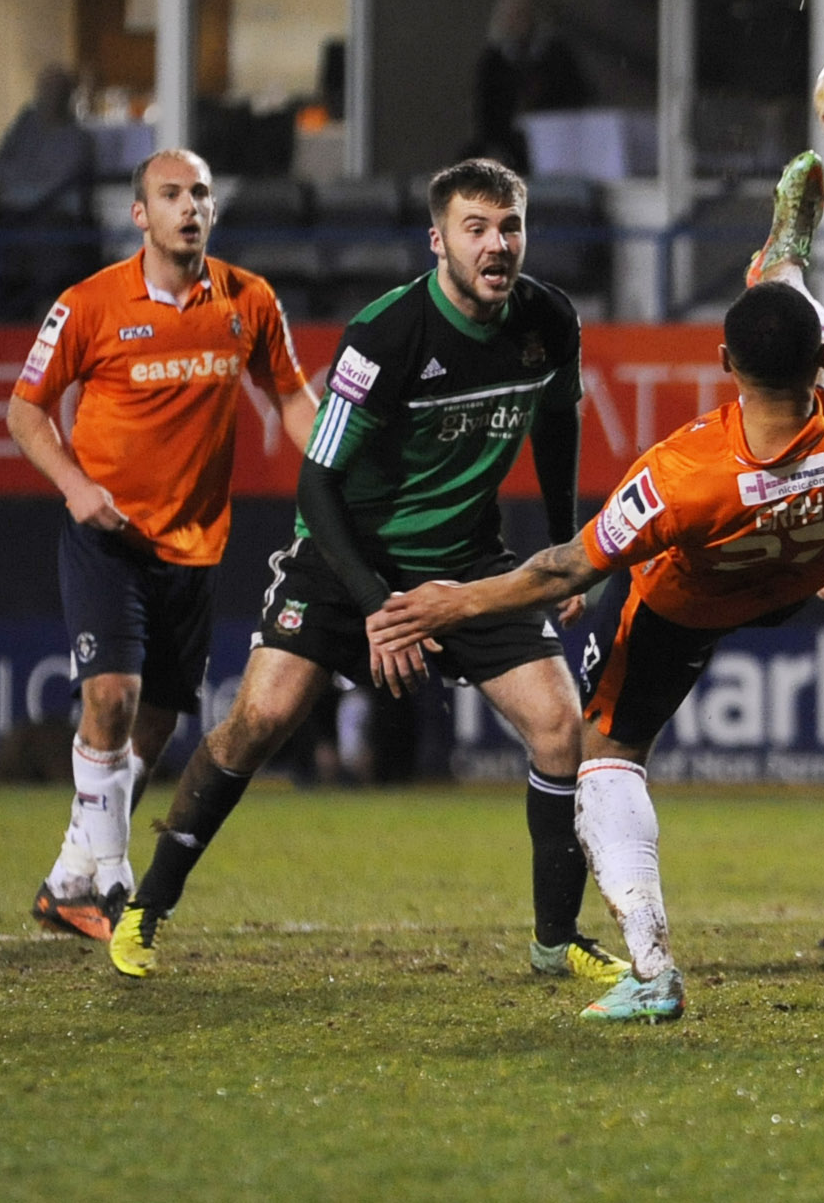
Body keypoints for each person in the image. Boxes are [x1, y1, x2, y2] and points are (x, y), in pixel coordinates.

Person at [365, 152, 824, 1022]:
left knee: (605, 755)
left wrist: (453, 600)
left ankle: (651, 967)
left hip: (683, 606)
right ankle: (786, 261)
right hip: (790, 585)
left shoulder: (681, 473)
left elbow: (568, 568)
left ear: (723, 361)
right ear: (823, 357)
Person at [108, 158, 625, 991]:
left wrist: (563, 554)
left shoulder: (549, 319)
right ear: (438, 241)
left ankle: (555, 940)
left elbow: (557, 422)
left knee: (563, 730)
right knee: (259, 720)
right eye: (476, 229)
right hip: (346, 556)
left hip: (465, 563)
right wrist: (377, 604)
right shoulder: (386, 336)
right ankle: (147, 906)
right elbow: (316, 482)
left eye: (510, 227)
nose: (497, 245)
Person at [10, 148, 316, 942]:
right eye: (171, 194)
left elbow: (290, 396)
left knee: (153, 727)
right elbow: (25, 410)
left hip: (195, 545)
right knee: (111, 698)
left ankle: (67, 880)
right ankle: (114, 881)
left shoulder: (249, 300)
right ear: (140, 214)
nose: (189, 206)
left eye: (201, 193)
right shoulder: (88, 304)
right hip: (107, 535)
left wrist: (334, 466)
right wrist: (76, 487)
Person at [464, 0, 592, 173]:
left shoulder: (556, 55)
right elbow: (485, 110)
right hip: (508, 143)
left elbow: (577, 96)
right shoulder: (492, 62)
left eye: (521, 15)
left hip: (554, 140)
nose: (516, 22)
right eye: (510, 16)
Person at [0, 66, 94, 224]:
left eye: (57, 90)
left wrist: (23, 190)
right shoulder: (26, 123)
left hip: (55, 216)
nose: (50, 96)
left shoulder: (78, 140)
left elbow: (58, 185)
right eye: (46, 89)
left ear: (67, 95)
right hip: (13, 209)